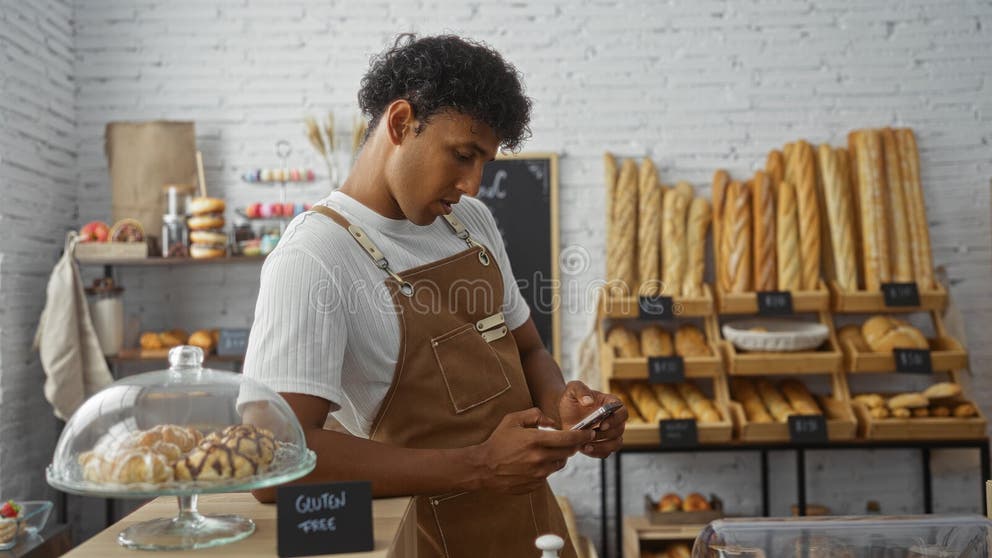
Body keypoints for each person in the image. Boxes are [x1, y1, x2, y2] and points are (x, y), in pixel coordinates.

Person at [243, 34, 626, 558]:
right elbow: (274, 460)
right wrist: (482, 465)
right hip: (421, 541)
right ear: (401, 123)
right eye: (463, 156)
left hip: (534, 531)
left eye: (484, 162)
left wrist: (564, 406)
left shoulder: (470, 223)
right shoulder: (314, 258)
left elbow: (530, 351)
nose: (473, 184)